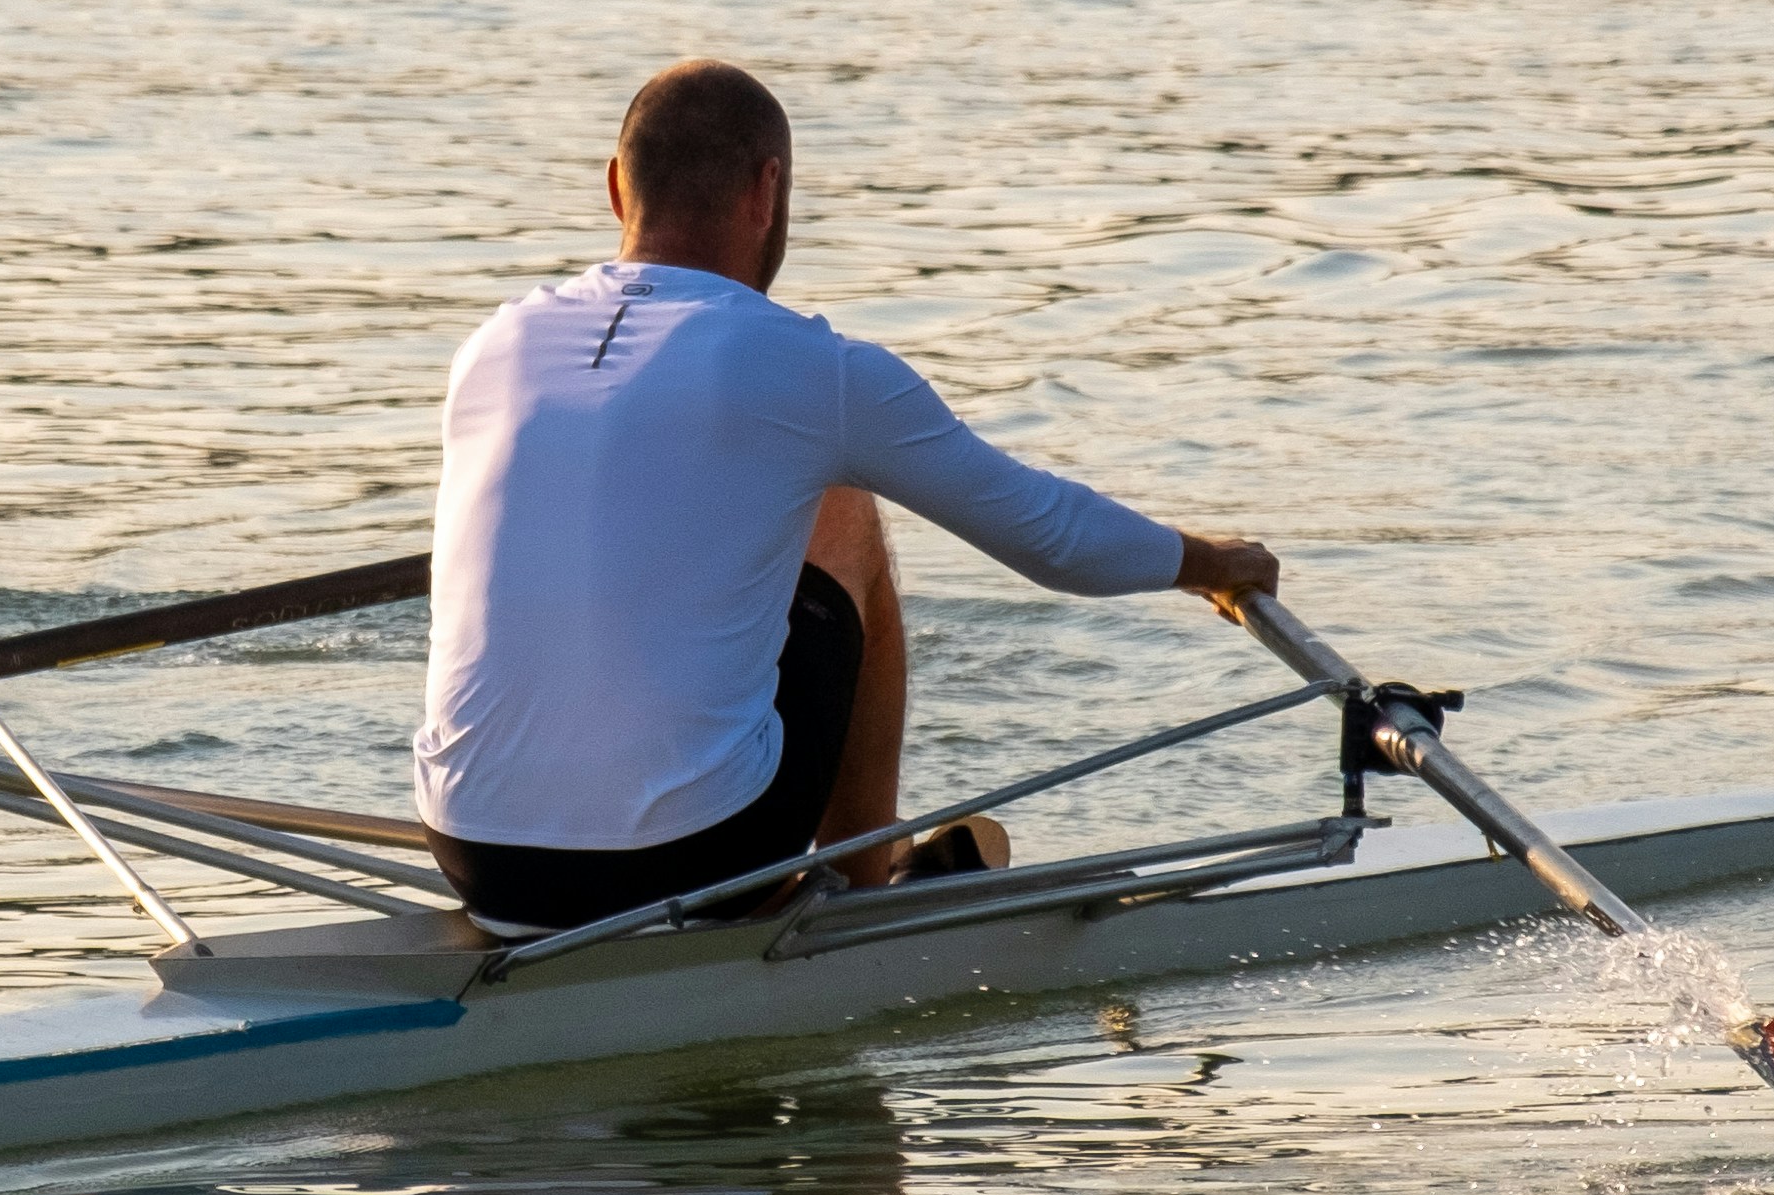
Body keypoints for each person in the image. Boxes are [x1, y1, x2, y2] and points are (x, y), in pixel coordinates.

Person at [416, 60, 1282, 934]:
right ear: (769, 190)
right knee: (844, 505)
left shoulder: (494, 344)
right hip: (690, 860)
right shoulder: (812, 370)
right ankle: (866, 888)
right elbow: (1051, 536)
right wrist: (1209, 562)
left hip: (474, 856)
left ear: (614, 189)